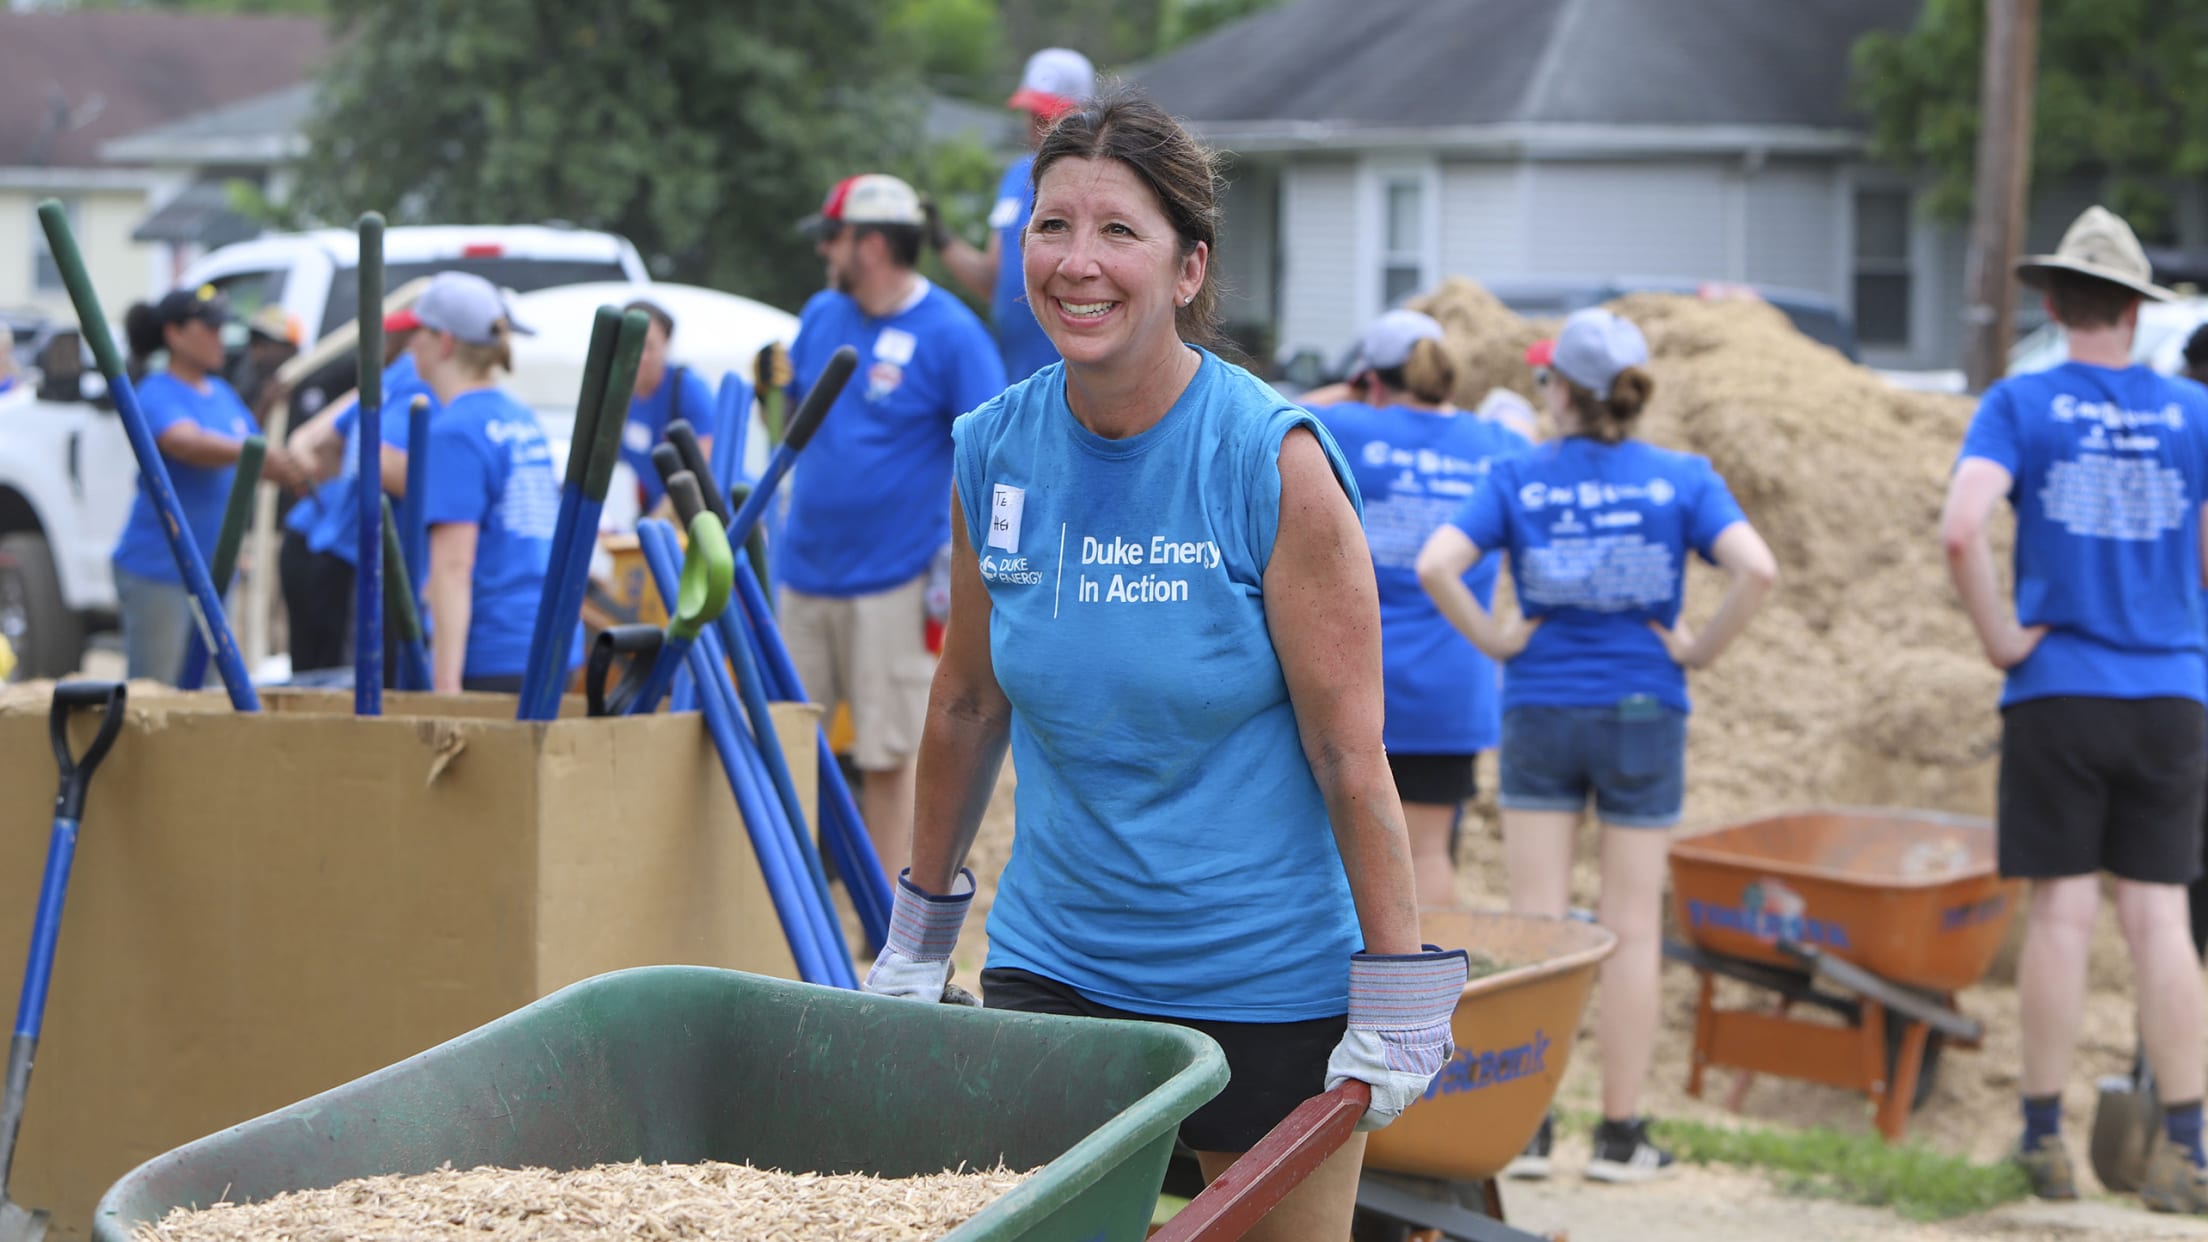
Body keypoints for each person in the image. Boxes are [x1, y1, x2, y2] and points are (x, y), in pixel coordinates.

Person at [858, 89, 1466, 1241]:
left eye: (1117, 231)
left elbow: (1348, 751)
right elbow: (969, 703)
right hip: (1057, 972)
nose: (1076, 262)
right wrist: (915, 937)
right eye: (1052, 226)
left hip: (1266, 986)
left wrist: (1399, 991)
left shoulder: (1270, 462)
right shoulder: (994, 450)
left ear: (1189, 269)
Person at [1416, 308, 1775, 1183]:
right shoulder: (1681, 477)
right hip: (1646, 711)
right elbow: (1757, 570)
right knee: (1633, 928)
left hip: (1541, 707)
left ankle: (1530, 1134)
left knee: (1539, 927)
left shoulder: (1518, 475)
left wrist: (1497, 641)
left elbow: (1435, 564)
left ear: (1559, 391)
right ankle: (1619, 1136)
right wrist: (1698, 650)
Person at [1939, 205, 2208, 1213]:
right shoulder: (2195, 414)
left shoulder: (2020, 402)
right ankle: (2186, 1148)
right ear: (2136, 312)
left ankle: (2044, 1143)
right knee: (2161, 915)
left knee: (2062, 913)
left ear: (2052, 305)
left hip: (2057, 690)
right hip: (2171, 693)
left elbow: (1962, 529)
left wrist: (2003, 639)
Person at [784, 172, 1007, 881]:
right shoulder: (822, 314)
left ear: (872, 246)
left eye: (833, 238)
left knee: (887, 757)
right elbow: (789, 416)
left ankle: (883, 920)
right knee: (783, 751)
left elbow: (996, 458)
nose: (825, 252)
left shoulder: (952, 335)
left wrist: (970, 571)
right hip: (802, 572)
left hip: (896, 580)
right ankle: (781, 915)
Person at [1302, 309, 1528, 908]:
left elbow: (1272, 410)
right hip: (1451, 688)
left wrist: (1349, 391)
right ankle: (1430, 972)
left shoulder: (1346, 425)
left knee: (1341, 852)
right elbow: (1524, 431)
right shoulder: (1496, 444)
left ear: (1371, 380)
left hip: (1352, 677)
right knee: (1428, 854)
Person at [110, 286, 310, 682]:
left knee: (210, 690)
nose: (221, 339)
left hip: (215, 569)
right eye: (210, 329)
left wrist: (292, 466)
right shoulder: (156, 390)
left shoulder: (221, 393)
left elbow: (250, 450)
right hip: (161, 568)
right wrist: (257, 455)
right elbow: (185, 442)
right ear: (175, 334)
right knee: (157, 691)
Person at [410, 271, 570, 695]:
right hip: (549, 642)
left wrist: (445, 686)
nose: (410, 344)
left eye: (418, 332)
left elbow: (453, 567)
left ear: (443, 342)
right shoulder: (520, 416)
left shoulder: (455, 431)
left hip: (491, 650)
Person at [280, 309, 434, 676]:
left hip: (333, 547)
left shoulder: (388, 381)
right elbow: (374, 459)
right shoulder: (409, 381)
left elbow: (307, 442)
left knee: (324, 677)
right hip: (355, 558)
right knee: (347, 681)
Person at [929, 47, 1096, 385]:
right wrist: (940, 238)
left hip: (1077, 376)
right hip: (1016, 375)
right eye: (1032, 112)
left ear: (1083, 112)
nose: (1037, 124)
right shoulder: (1016, 175)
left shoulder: (1096, 178)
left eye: (1048, 113)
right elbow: (993, 281)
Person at [618, 298, 716, 516]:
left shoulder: (688, 388)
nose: (639, 356)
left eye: (648, 346)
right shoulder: (618, 397)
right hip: (662, 513)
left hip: (709, 515)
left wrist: (654, 521)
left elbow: (702, 469)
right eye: (631, 344)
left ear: (666, 344)